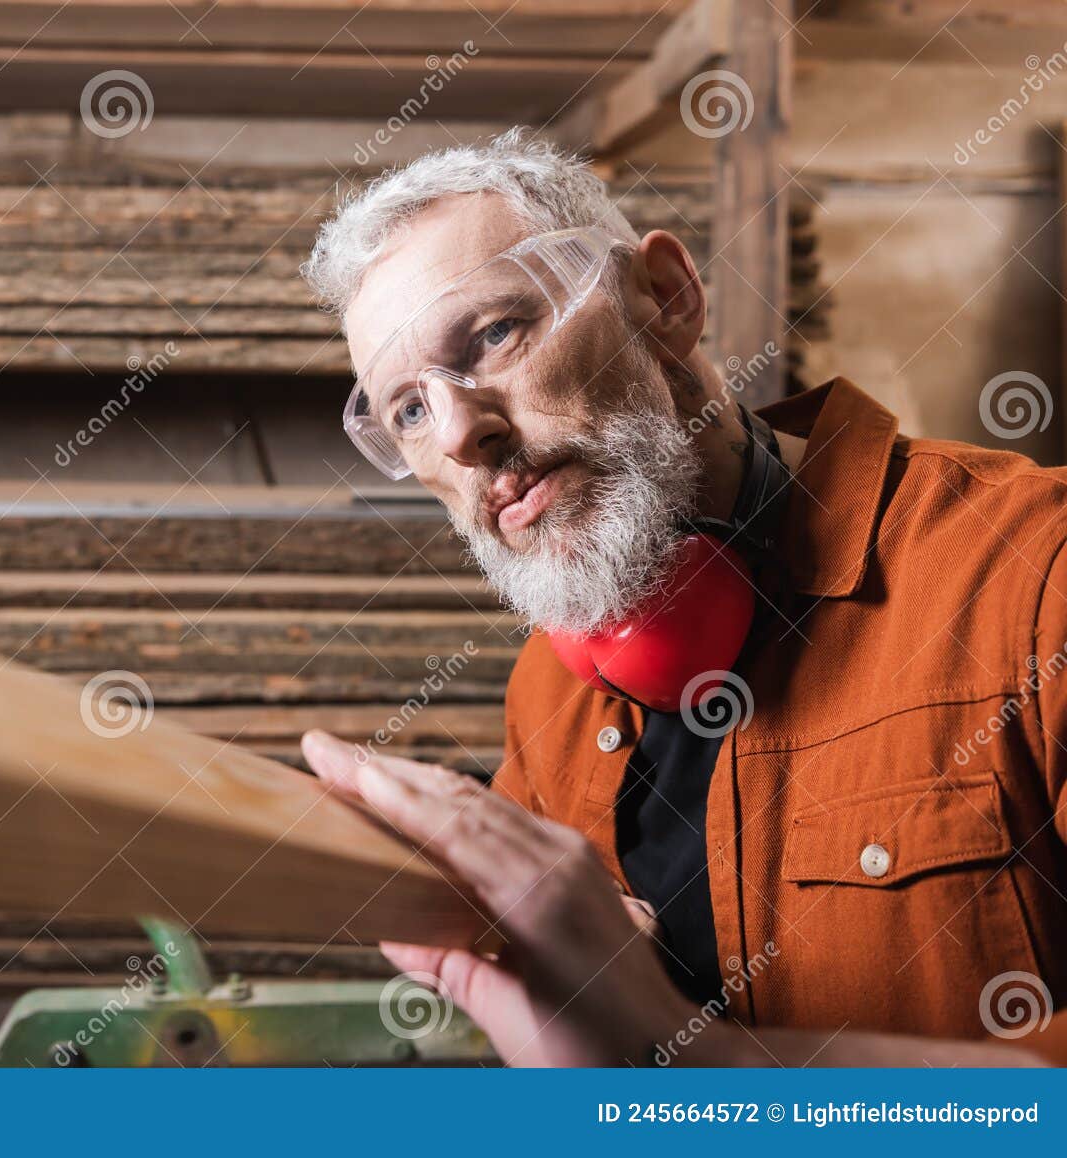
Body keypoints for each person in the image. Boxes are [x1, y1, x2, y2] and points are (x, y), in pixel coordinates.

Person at [297, 128, 1067, 1066]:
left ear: (663, 299)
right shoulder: (549, 694)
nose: (459, 433)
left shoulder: (1034, 574)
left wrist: (699, 1058)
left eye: (495, 333)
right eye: (409, 409)